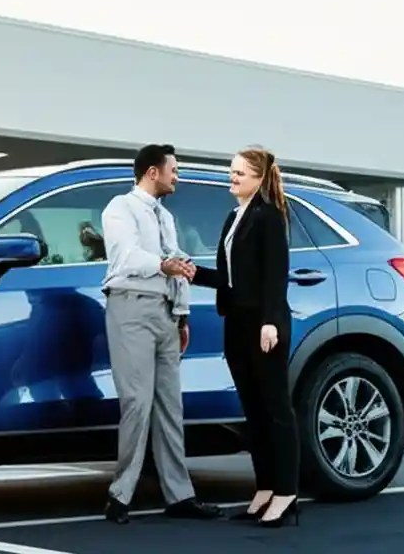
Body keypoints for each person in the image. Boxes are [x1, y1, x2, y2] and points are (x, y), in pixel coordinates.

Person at [99, 144, 222, 524]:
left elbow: (178, 264)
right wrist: (164, 265)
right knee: (137, 402)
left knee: (171, 406)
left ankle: (180, 496)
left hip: (167, 316)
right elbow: (125, 258)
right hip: (131, 308)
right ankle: (120, 495)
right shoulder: (120, 208)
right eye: (174, 170)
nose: (177, 176)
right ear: (153, 172)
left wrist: (182, 317)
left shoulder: (165, 217)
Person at [189, 146, 301, 528]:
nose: (232, 178)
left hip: (263, 325)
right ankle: (265, 487)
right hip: (236, 322)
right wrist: (192, 273)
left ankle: (287, 492)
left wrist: (270, 321)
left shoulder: (269, 217)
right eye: (231, 171)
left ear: (258, 177)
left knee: (276, 410)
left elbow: (275, 273)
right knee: (253, 411)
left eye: (239, 173)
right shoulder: (234, 217)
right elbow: (228, 277)